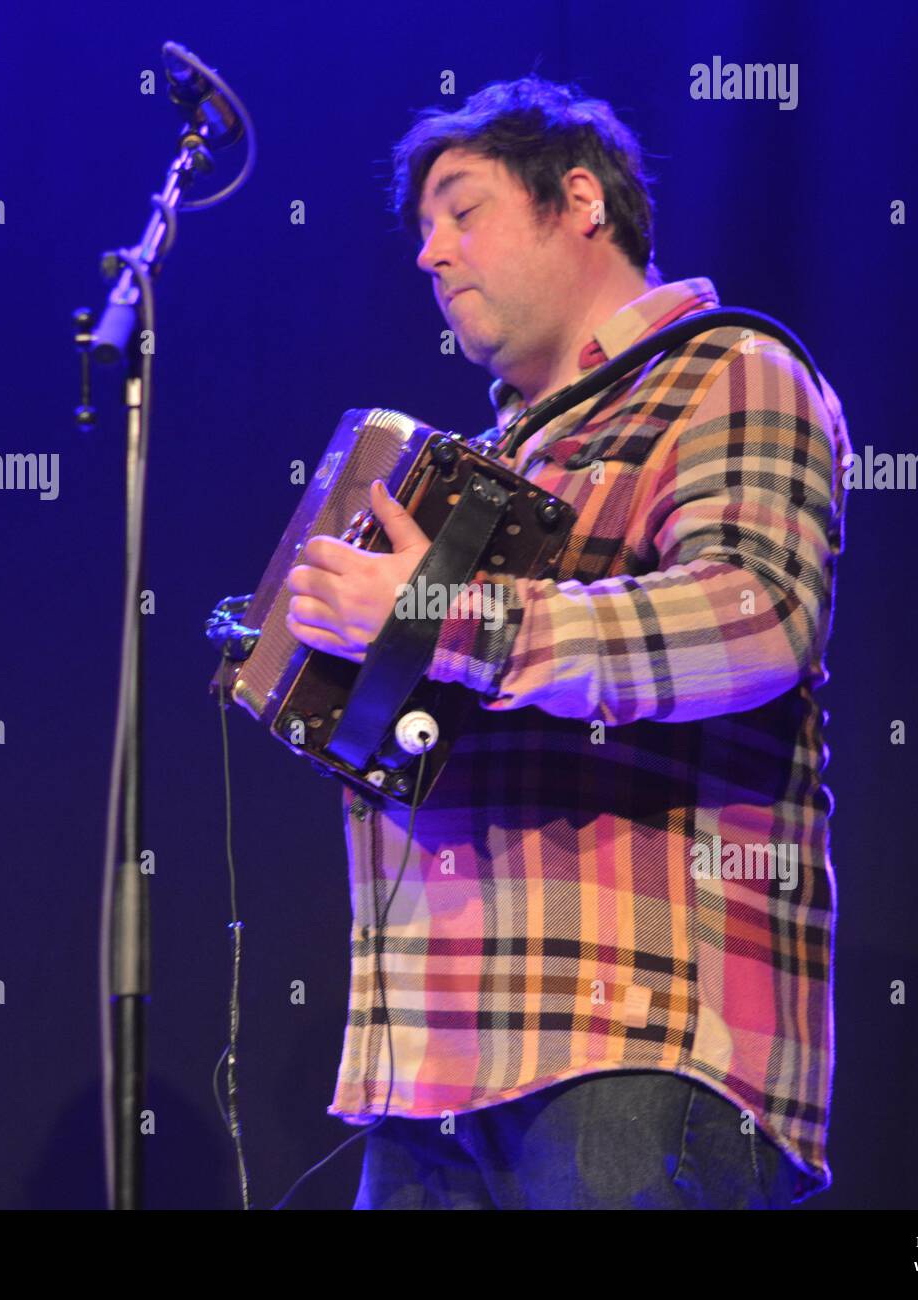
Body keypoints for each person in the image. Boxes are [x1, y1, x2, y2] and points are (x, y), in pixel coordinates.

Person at [284, 74, 851, 1210]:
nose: (429, 254)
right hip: (432, 1066)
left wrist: (434, 617)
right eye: (423, 229)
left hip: (636, 1044)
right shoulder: (479, 468)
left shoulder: (728, 371)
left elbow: (755, 615)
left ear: (579, 199)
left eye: (462, 209)